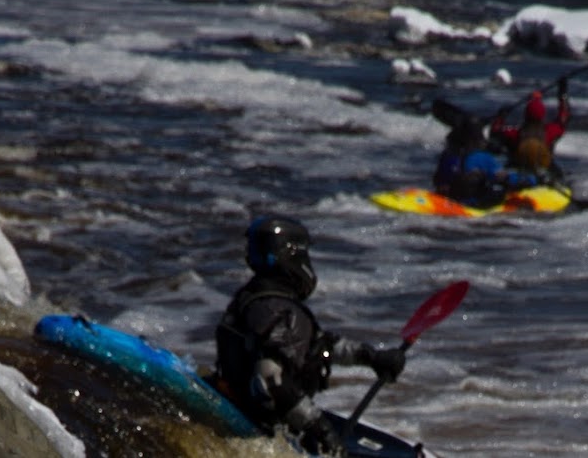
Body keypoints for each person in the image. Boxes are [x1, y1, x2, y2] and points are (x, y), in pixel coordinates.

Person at [214, 216, 407, 457]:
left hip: (242, 412)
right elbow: (271, 380)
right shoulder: (277, 308)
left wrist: (373, 357)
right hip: (260, 428)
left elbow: (318, 345)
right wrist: (321, 429)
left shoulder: (255, 299)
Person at [432, 104, 535, 208]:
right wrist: (531, 179)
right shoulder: (483, 158)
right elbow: (504, 177)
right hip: (471, 204)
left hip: (448, 200)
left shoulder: (447, 155)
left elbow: (438, 180)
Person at [489, 76, 571, 181]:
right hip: (545, 172)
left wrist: (500, 117)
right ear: (543, 115)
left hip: (518, 172)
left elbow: (495, 131)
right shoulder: (550, 131)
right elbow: (563, 118)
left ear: (525, 115)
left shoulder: (516, 133)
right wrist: (562, 94)